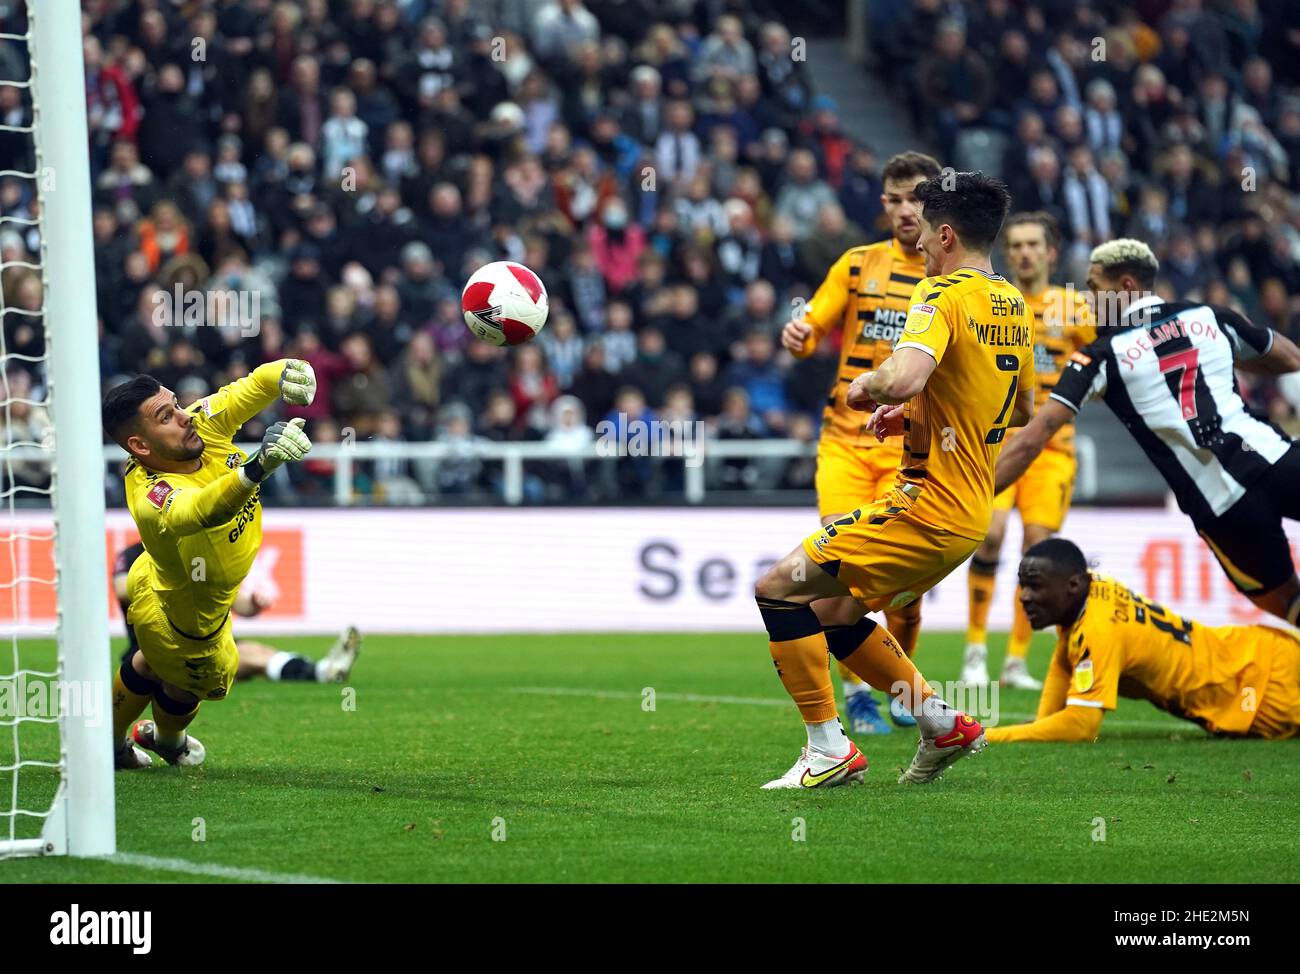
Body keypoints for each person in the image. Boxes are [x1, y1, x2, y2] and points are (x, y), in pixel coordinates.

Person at [753, 171, 1035, 788]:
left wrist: (866, 387)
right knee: (830, 611)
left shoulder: (940, 296)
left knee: (776, 589)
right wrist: (916, 414)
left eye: (929, 237)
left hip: (924, 507)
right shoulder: (1012, 303)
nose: (923, 250)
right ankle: (940, 722)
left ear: (947, 234)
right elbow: (1019, 409)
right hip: (966, 515)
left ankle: (828, 749)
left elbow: (903, 375)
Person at [996, 238, 1300, 627]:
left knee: (1285, 599)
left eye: (1095, 289)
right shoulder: (1210, 316)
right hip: (1276, 458)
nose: (1089, 301)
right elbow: (1288, 357)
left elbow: (1033, 438)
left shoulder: (1099, 357)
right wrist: (1228, 356)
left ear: (1125, 286)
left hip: (1223, 505)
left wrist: (978, 494)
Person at [781, 150, 941, 734]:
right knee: (839, 570)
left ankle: (904, 684)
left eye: (918, 197)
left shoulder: (948, 281)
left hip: (910, 448)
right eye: (896, 199)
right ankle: (859, 697)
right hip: (845, 442)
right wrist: (798, 335)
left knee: (902, 591)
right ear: (883, 204)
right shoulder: (856, 264)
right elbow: (811, 329)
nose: (906, 210)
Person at [101, 360, 317, 770]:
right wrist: (258, 467)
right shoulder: (152, 494)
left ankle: (110, 744)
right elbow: (198, 511)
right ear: (141, 446)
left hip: (153, 580)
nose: (185, 416)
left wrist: (290, 374)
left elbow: (251, 386)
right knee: (192, 682)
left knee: (152, 660)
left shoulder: (201, 425)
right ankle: (169, 741)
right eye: (166, 416)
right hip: (193, 615)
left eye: (176, 404)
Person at [987, 538, 1300, 741]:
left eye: (1035, 586)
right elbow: (1065, 660)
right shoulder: (1092, 590)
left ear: (1072, 585)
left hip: (1260, 690)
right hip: (1258, 649)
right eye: (1022, 586)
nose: (1024, 597)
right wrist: (1040, 724)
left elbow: (1081, 726)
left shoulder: (1099, 628)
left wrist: (993, 737)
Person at [962, 212, 1095, 689]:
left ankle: (1015, 661)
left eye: (1032, 244)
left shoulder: (1071, 309)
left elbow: (1102, 367)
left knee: (1037, 550)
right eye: (1014, 244)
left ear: (1050, 252)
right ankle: (975, 652)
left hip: (1053, 450)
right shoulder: (994, 301)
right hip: (998, 443)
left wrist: (1078, 391)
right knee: (990, 535)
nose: (1022, 252)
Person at [112, 541, 360, 684]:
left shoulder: (196, 556)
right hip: (153, 647)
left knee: (257, 651)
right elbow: (122, 589)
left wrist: (254, 603)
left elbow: (236, 603)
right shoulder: (134, 555)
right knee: (249, 656)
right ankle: (321, 671)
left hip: (202, 642)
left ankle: (320, 670)